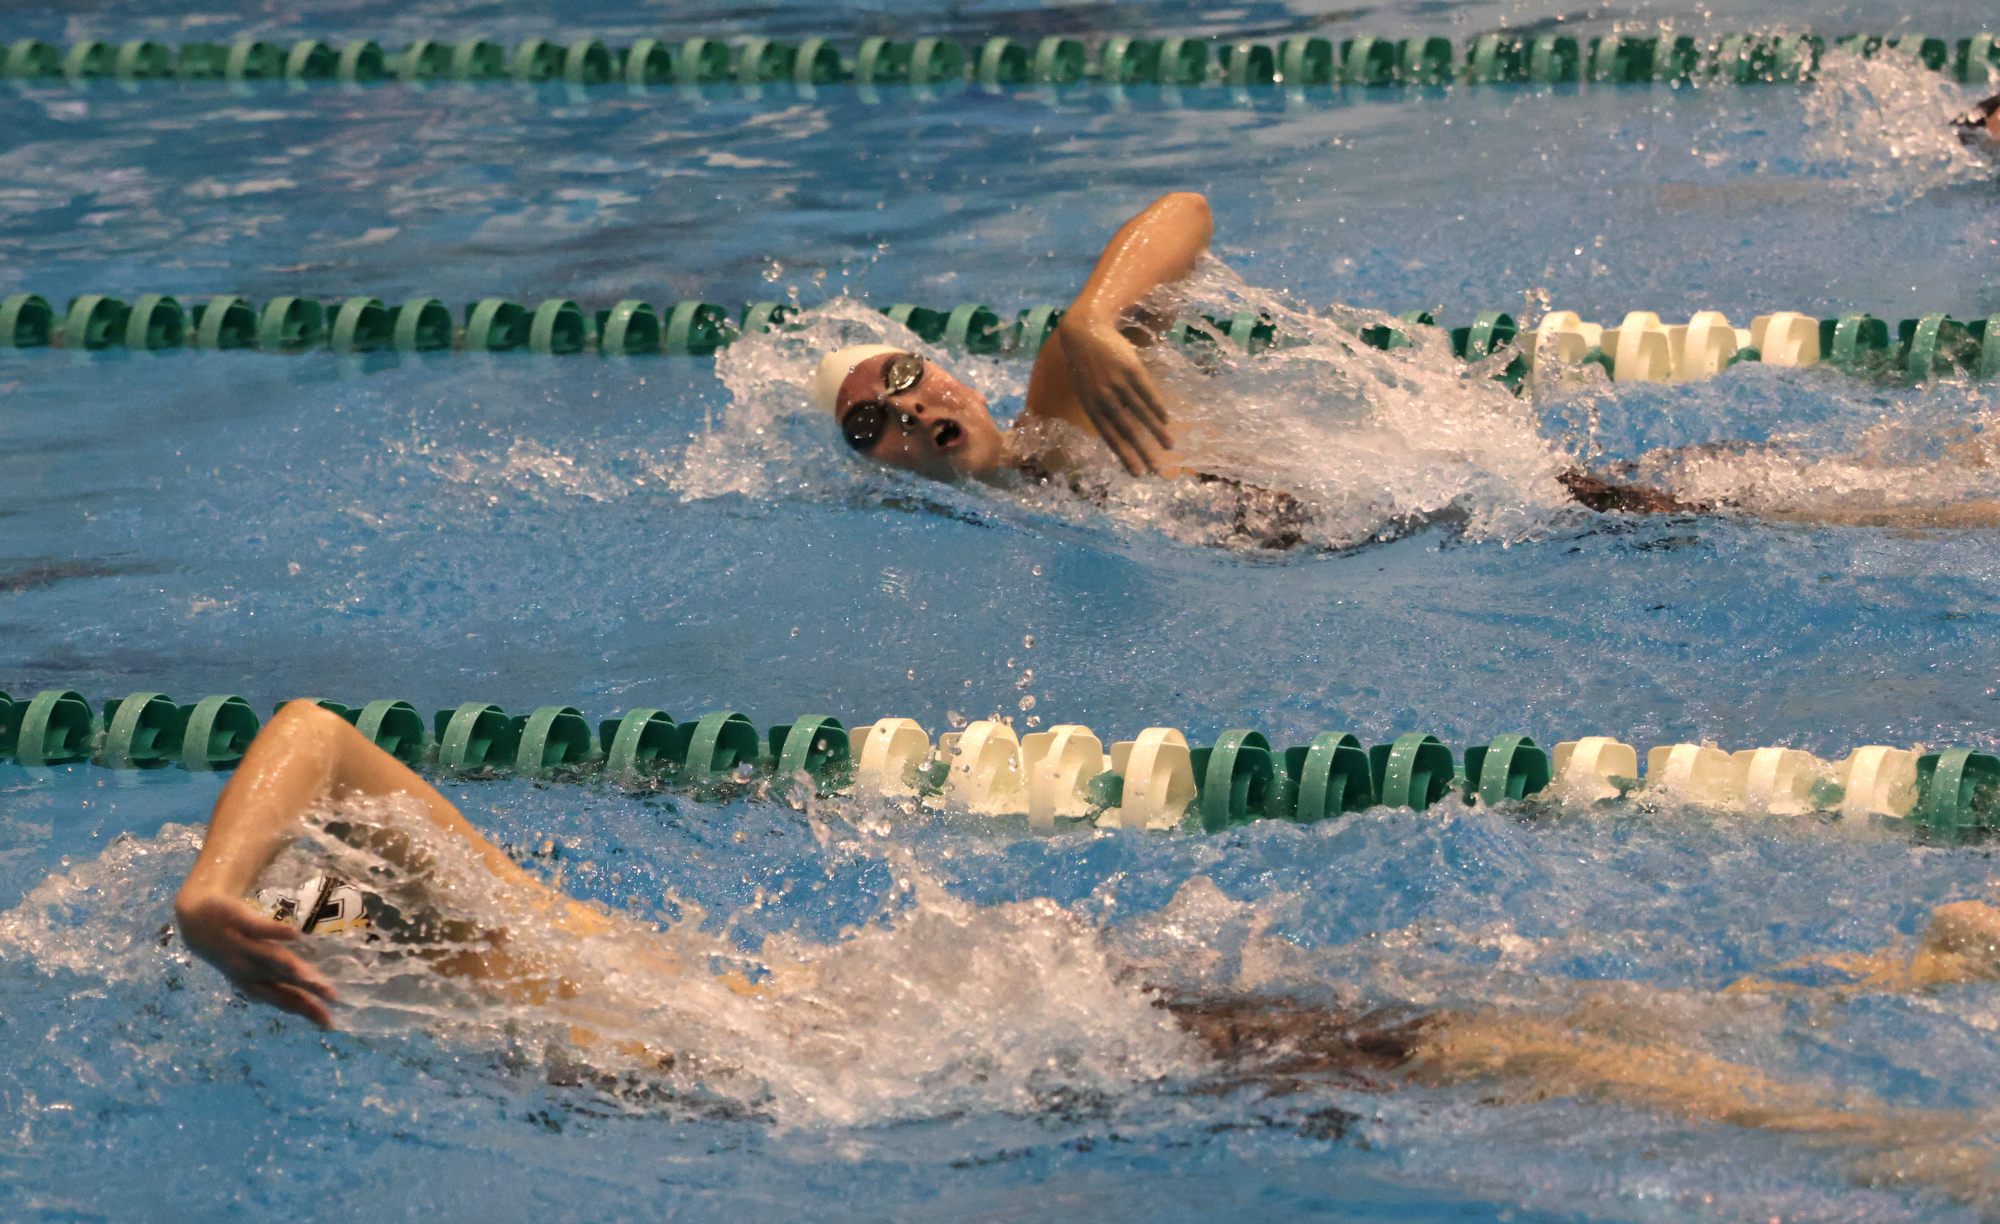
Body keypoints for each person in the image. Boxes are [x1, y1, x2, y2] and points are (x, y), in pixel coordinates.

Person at [175, 700, 2000, 1197]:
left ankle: (1883, 1140)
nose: (303, 937)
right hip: (968, 1058)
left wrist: (207, 897)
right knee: (1445, 1038)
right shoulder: (460, 995)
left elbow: (321, 732)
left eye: (302, 903)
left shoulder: (481, 923)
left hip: (995, 1046)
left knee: (1461, 1053)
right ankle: (1909, 991)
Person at [807, 192, 1688, 535]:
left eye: (901, 381)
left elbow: (1187, 212)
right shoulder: (1029, 507)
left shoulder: (1061, 395)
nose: (906, 414)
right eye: (867, 426)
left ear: (944, 374)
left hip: (1478, 505)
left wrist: (1091, 317)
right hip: (1422, 534)